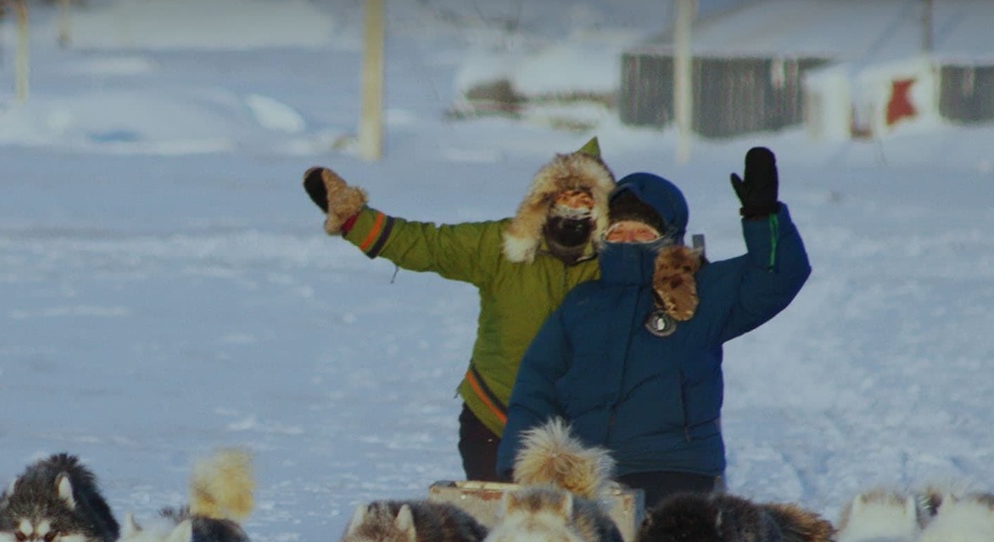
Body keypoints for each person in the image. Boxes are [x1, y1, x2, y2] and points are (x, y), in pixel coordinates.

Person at [496, 147, 809, 507]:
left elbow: (779, 276)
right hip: (587, 470)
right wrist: (515, 465)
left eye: (642, 232)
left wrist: (762, 217)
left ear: (668, 236)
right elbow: (536, 387)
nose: (628, 241)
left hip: (675, 470)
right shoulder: (583, 302)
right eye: (618, 231)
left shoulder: (701, 289)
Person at [304, 140, 616, 481]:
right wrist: (353, 219)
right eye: (563, 197)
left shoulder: (616, 265)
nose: (573, 209)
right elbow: (428, 244)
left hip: (582, 427)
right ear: (543, 201)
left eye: (585, 200)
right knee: (499, 522)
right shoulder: (500, 245)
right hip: (495, 414)